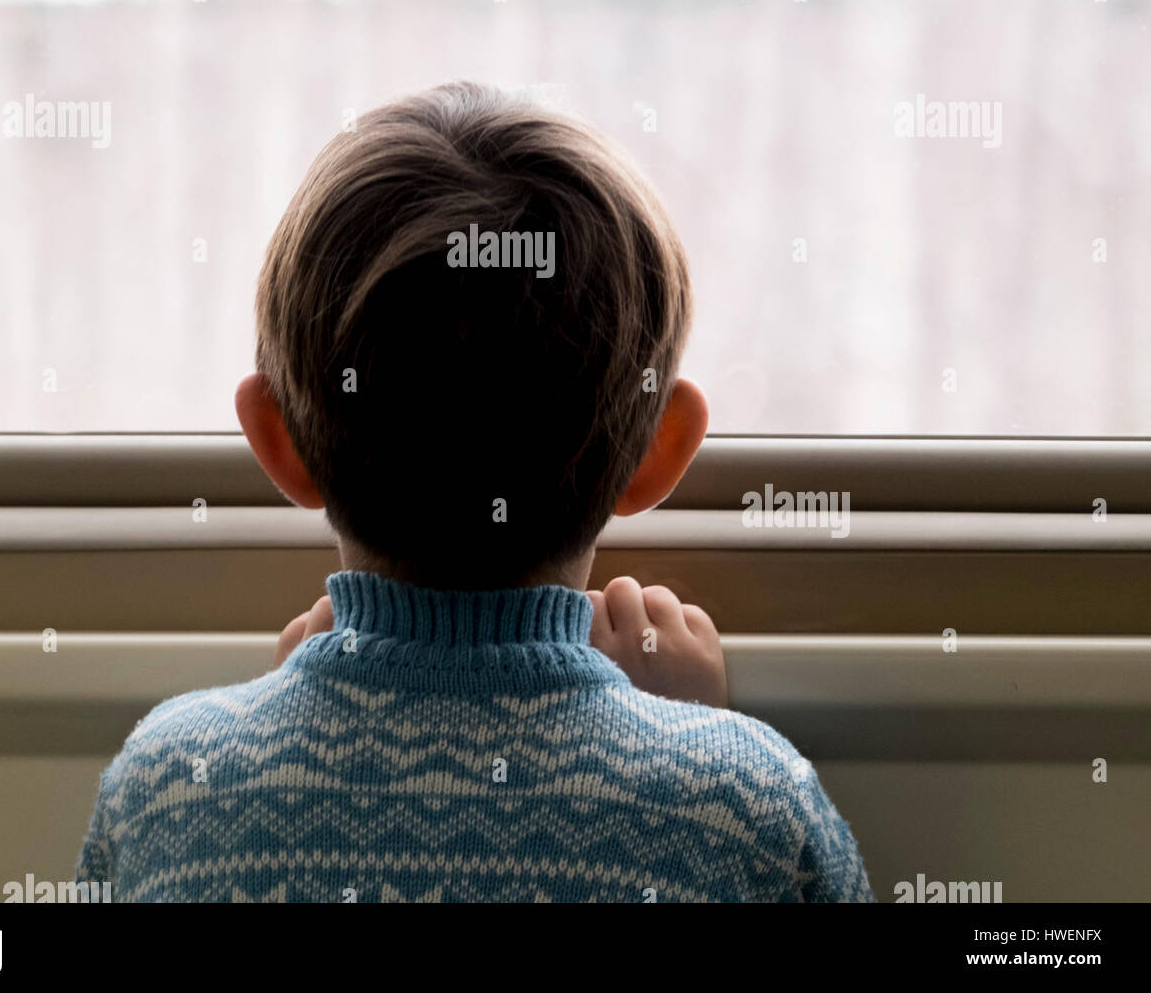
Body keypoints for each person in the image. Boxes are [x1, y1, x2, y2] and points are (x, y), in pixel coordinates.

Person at [75, 81, 874, 902]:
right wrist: (694, 745)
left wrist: (279, 732)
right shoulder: (749, 808)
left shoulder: (167, 786)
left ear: (278, 443)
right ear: (660, 453)